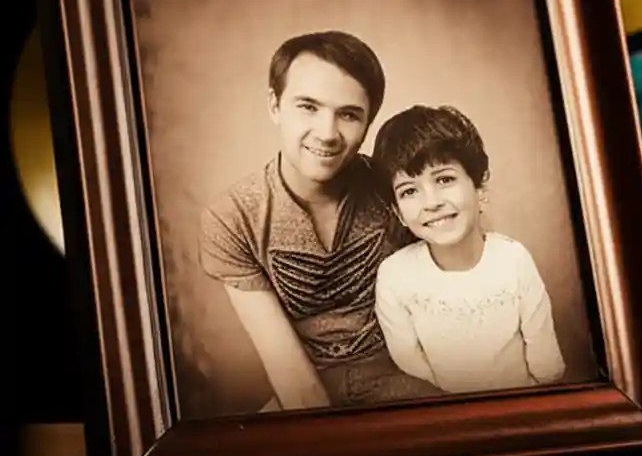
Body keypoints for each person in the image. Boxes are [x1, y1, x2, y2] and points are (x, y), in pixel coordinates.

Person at [199, 31, 440, 411]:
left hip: (409, 378)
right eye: (308, 107)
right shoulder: (233, 217)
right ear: (274, 105)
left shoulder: (393, 186)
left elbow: (454, 292)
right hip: (306, 393)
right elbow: (294, 380)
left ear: (367, 124)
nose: (327, 134)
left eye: (348, 114)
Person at [370, 104, 567, 394]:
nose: (431, 202)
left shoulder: (513, 260)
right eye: (409, 191)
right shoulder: (395, 276)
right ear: (398, 212)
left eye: (444, 179)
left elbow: (547, 366)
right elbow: (411, 365)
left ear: (479, 187)